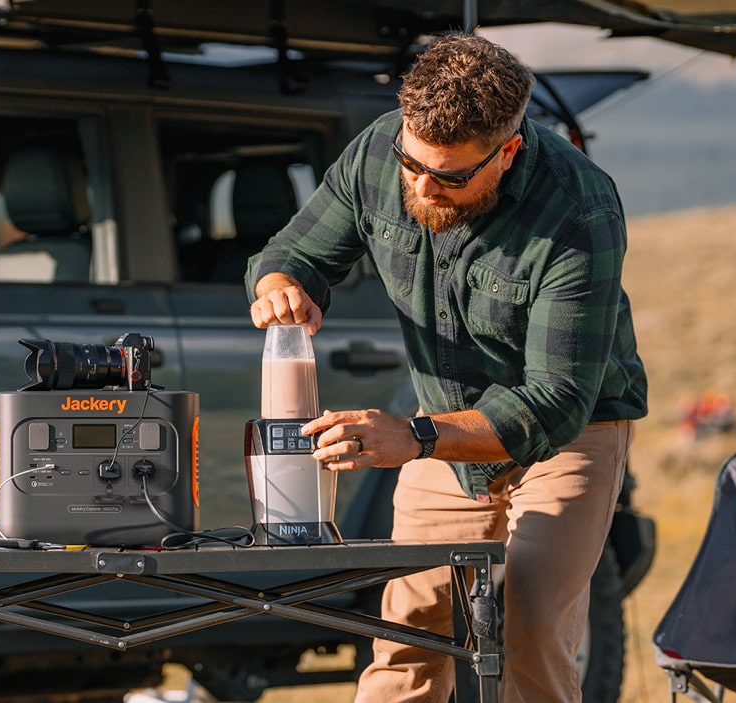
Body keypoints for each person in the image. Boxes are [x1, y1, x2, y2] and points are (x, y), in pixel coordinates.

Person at [246, 33, 648, 702]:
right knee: (407, 635)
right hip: (441, 427)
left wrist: (414, 437)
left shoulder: (579, 209)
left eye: (452, 177)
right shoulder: (377, 151)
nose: (423, 186)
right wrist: (281, 284)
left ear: (507, 151)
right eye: (412, 163)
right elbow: (295, 253)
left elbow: (555, 400)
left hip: (567, 437)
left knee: (531, 629)